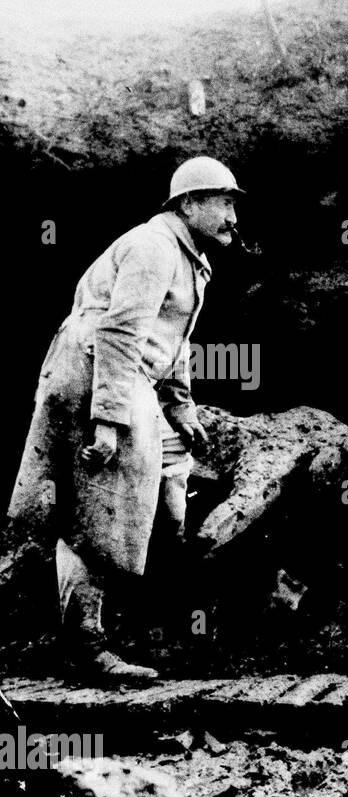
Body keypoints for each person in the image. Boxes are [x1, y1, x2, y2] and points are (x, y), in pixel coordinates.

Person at [6, 156, 243, 682]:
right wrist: (108, 421)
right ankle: (85, 645)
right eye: (224, 202)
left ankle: (145, 622)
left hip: (126, 374)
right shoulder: (153, 246)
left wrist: (181, 409)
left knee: (166, 477)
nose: (233, 216)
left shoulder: (190, 257)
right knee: (98, 508)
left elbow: (173, 341)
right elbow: (119, 331)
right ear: (190, 203)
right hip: (97, 371)